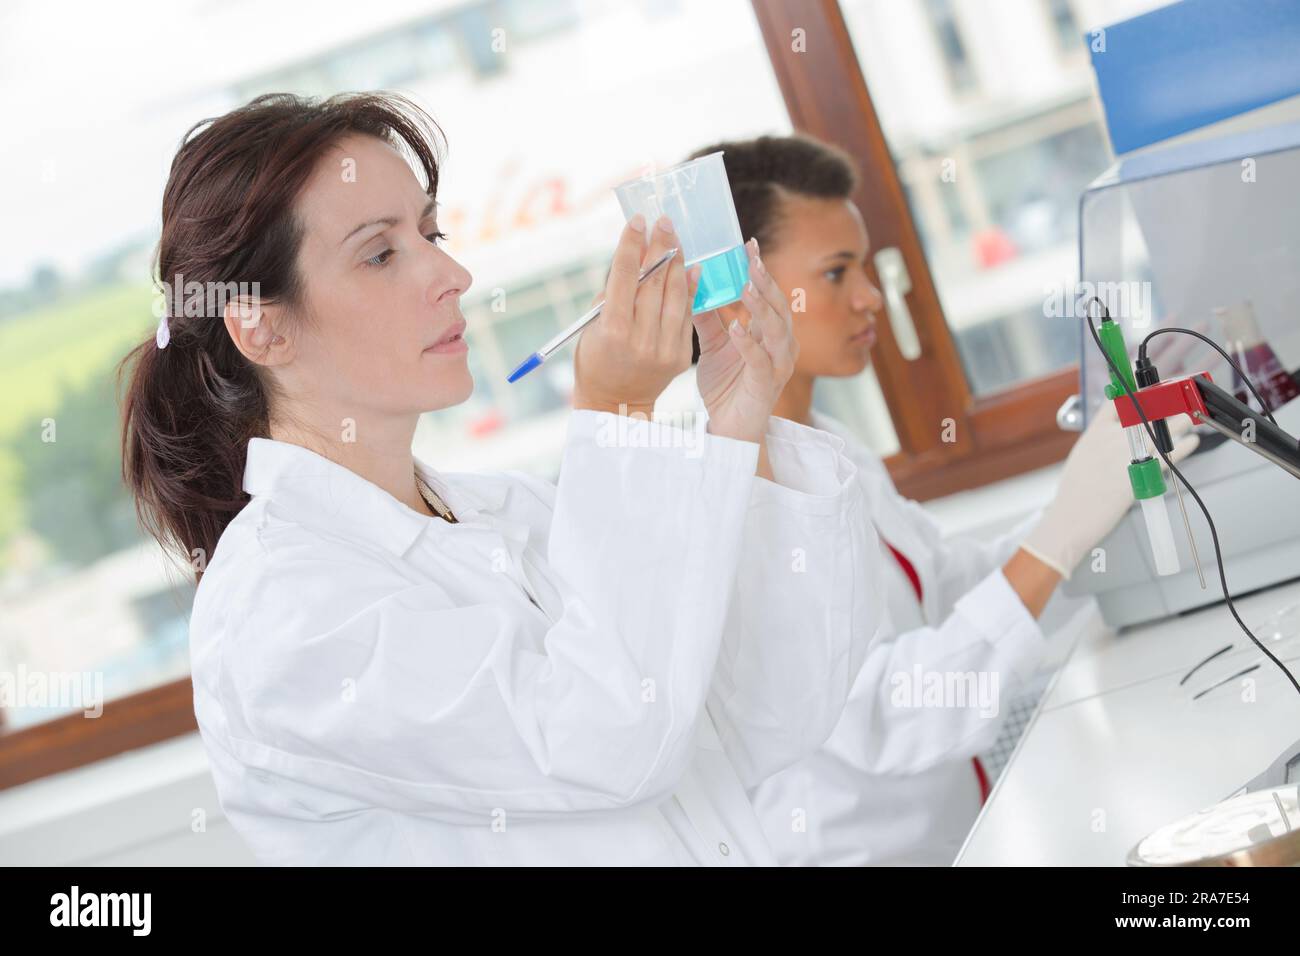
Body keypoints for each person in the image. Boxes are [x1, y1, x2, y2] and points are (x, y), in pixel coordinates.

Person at [118, 93, 888, 866]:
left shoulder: (512, 509)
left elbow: (752, 724)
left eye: (431, 234)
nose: (452, 274)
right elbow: (609, 745)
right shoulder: (282, 615)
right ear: (262, 328)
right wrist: (619, 408)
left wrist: (740, 419)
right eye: (380, 254)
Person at [675, 134, 1199, 865]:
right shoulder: (719, 502)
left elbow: (946, 586)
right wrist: (1059, 538)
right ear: (736, 295)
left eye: (864, 267)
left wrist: (1090, 503)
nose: (870, 296)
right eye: (837, 272)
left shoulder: (827, 444)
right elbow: (885, 712)